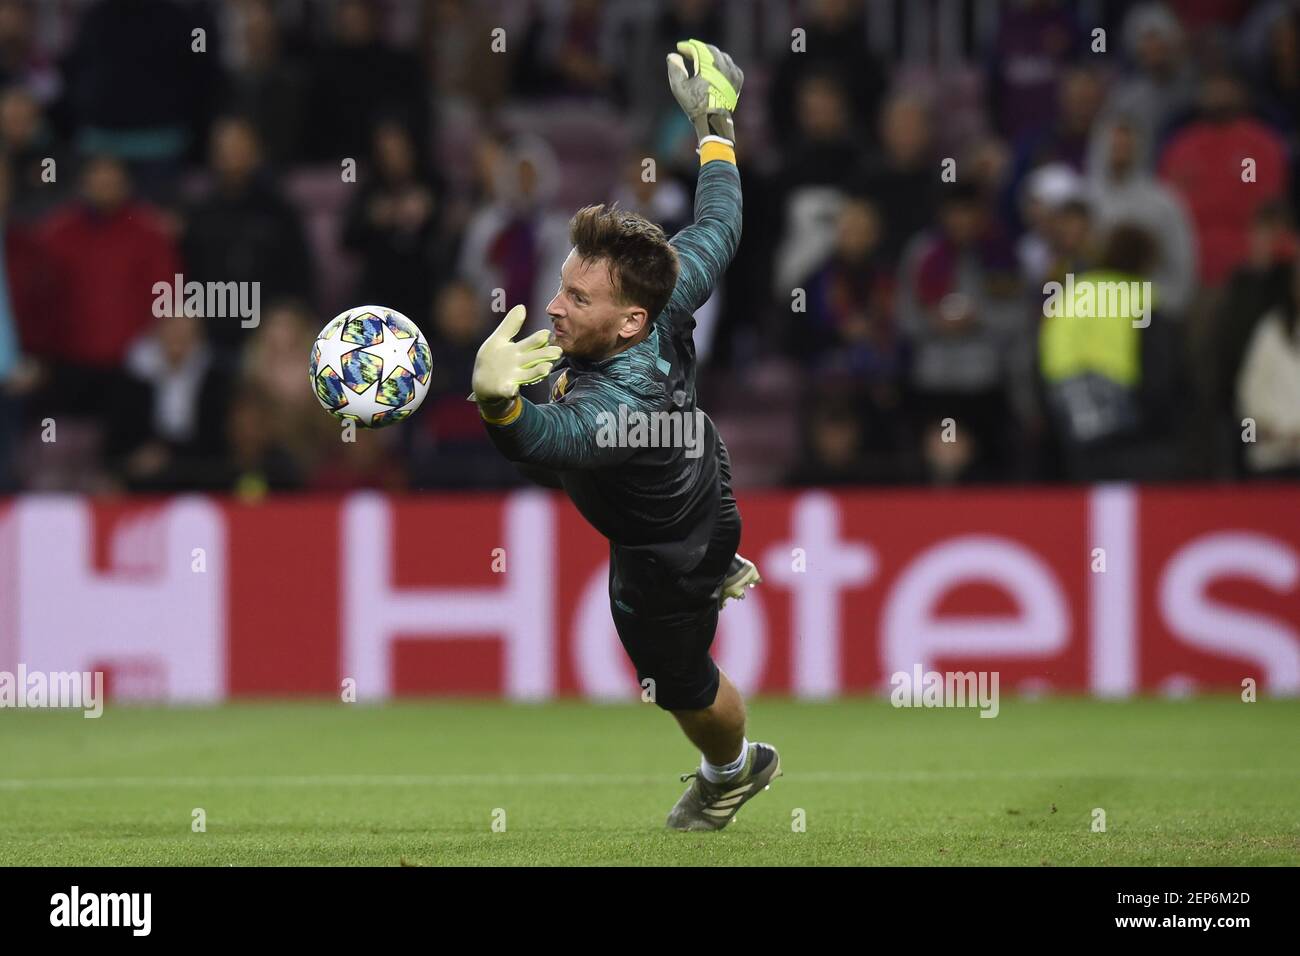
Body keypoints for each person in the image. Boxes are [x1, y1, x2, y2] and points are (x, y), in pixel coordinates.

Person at [468, 41, 780, 831]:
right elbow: (720, 222)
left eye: (577, 298)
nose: (554, 305)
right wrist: (714, 125)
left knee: (681, 688)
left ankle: (733, 770)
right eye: (562, 286)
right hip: (694, 471)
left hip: (659, 553)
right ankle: (714, 560)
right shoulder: (663, 291)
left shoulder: (620, 403)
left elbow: (549, 444)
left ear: (630, 321)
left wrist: (498, 405)